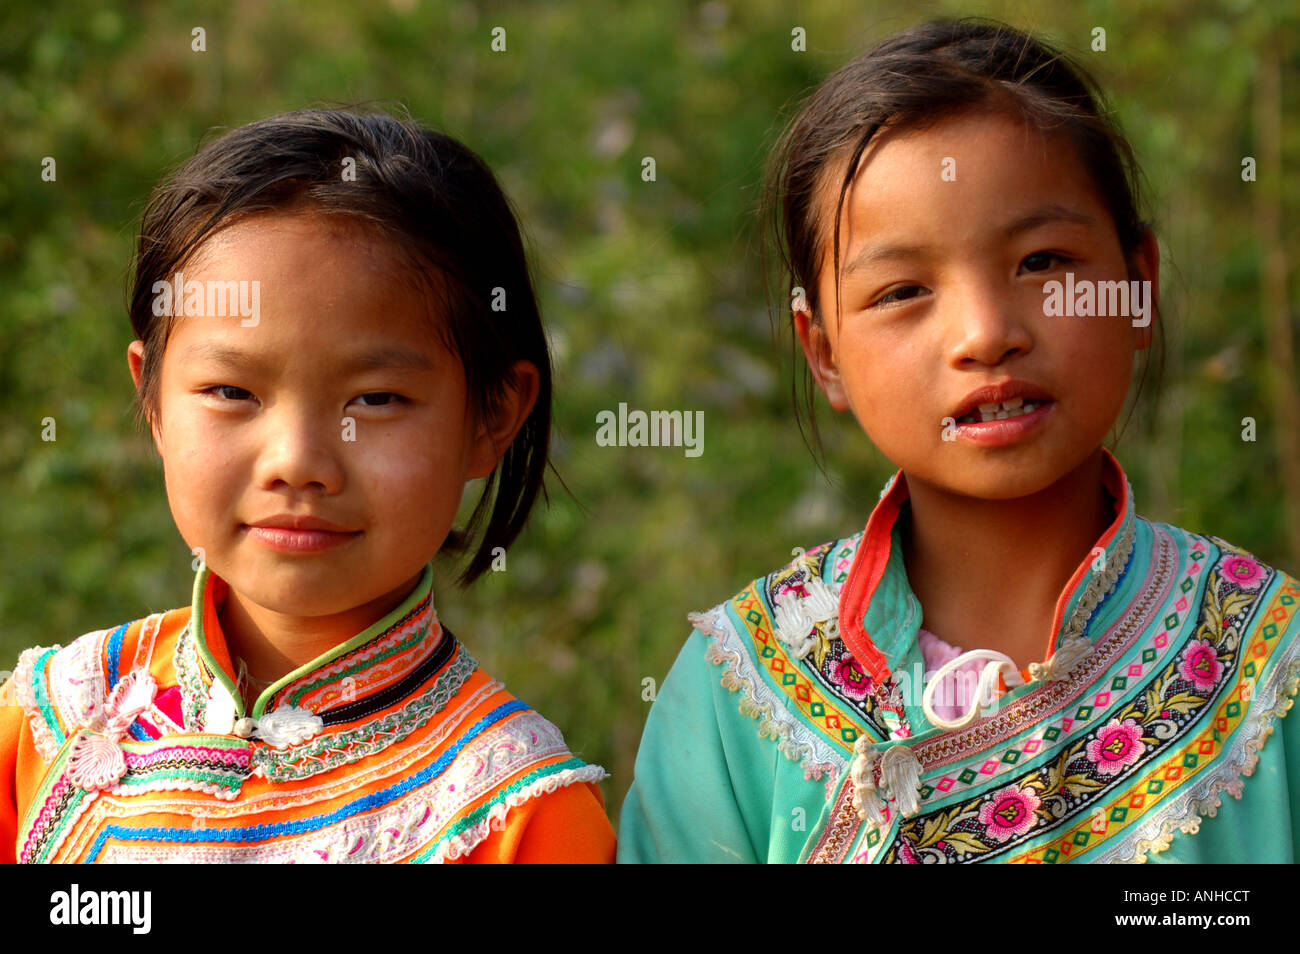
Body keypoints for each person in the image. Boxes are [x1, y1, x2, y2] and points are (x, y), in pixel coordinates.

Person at [619, 18, 1300, 863]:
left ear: (1138, 287)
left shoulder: (1271, 666)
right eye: (903, 290)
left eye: (1043, 262)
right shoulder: (735, 701)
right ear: (823, 353)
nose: (985, 334)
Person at [0, 108, 615, 863]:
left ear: (492, 415)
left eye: (376, 399)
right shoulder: (47, 722)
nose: (297, 461)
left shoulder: (517, 811)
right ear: (152, 398)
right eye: (231, 392)